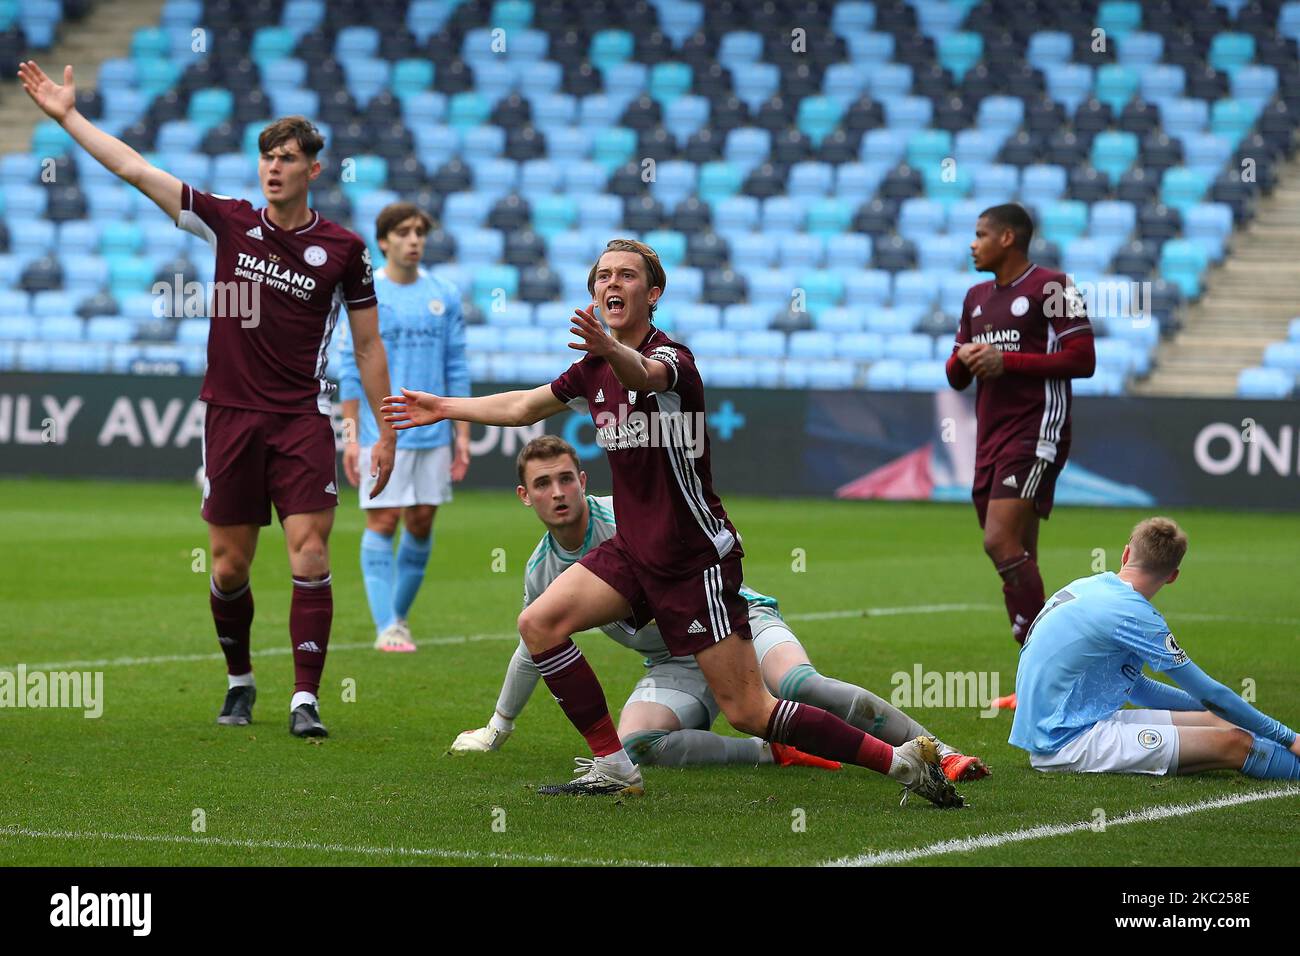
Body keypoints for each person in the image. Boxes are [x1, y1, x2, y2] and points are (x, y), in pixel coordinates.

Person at [383, 238, 964, 807]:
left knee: (750, 711)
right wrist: (445, 407)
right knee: (539, 624)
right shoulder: (592, 371)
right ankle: (614, 766)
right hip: (635, 551)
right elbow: (523, 407)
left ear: (653, 292)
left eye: (627, 275)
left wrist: (610, 353)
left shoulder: (671, 359)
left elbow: (643, 377)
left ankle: (901, 762)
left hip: (693, 557)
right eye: (603, 276)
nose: (612, 284)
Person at [18, 62, 397, 738]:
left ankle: (304, 700)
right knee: (229, 567)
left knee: (310, 554)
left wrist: (384, 432)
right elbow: (136, 170)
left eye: (286, 158)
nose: (272, 168)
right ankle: (239, 681)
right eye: (266, 157)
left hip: (302, 419)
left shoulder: (344, 250)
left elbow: (368, 348)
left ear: (314, 169)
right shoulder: (227, 222)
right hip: (229, 416)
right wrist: (68, 118)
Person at [451, 436, 991, 783]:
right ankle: (771, 752)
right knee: (641, 742)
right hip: (673, 662)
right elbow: (532, 648)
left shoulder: (628, 519)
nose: (558, 492)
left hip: (731, 623)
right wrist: (497, 728)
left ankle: (937, 750)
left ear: (583, 480)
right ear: (526, 497)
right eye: (543, 484)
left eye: (566, 478)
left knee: (801, 684)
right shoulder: (541, 571)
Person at [1010, 517, 1300, 779]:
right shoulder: (1134, 614)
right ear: (1173, 575)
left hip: (1067, 721)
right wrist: (1289, 737)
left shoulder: (1090, 585)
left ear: (1125, 554)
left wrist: (1223, 711)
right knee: (1236, 744)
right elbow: (1211, 694)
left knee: (1217, 719)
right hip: (1065, 742)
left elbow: (1140, 689)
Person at [946, 203, 1096, 708]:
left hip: (1037, 429)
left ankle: (1047, 664)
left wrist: (1004, 360)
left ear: (1008, 238)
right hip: (990, 436)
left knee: (999, 541)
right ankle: (1047, 679)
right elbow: (956, 375)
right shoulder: (975, 297)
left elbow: (1084, 359)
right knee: (1018, 554)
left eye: (980, 234)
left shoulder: (1051, 286)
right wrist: (964, 359)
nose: (973, 243)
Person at [337, 202, 470, 652]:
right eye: (404, 232)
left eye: (419, 232)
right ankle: (387, 626)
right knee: (384, 518)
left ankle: (397, 619)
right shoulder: (366, 293)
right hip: (380, 432)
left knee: (421, 520)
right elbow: (351, 368)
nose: (414, 240)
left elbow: (456, 363)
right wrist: (351, 437)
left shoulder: (445, 293)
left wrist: (463, 434)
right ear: (384, 241)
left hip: (432, 431)